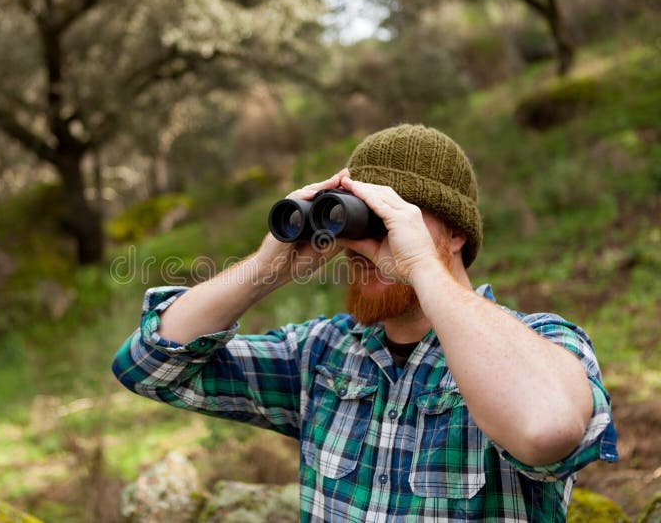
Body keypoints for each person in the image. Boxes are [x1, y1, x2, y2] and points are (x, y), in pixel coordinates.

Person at [112, 124, 618, 521]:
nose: (367, 243)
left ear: (457, 234)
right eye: (360, 217)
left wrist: (421, 267)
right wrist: (267, 267)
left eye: (393, 218)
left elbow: (548, 429)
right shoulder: (322, 355)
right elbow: (148, 365)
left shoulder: (544, 342)